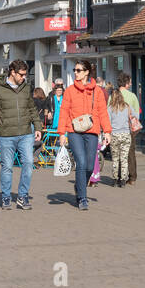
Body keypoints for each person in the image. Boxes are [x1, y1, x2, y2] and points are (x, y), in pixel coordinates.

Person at [0, 60, 41, 210]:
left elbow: (32, 108)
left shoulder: (26, 88)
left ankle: (22, 196)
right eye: (21, 74)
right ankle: (6, 196)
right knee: (7, 167)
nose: (24, 77)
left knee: (28, 163)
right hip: (6, 134)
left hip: (26, 133)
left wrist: (38, 126)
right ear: (12, 72)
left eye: (25, 74)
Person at [55, 60, 111, 210]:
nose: (76, 72)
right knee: (80, 162)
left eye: (79, 70)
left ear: (87, 72)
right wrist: (61, 133)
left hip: (92, 131)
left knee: (90, 165)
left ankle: (79, 187)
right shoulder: (70, 90)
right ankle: (82, 197)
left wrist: (107, 131)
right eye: (75, 70)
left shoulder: (97, 91)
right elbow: (64, 112)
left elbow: (103, 112)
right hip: (74, 131)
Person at [105, 84, 135, 187]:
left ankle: (114, 178)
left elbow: (107, 122)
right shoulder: (127, 106)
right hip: (126, 134)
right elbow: (134, 116)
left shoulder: (110, 108)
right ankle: (123, 180)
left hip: (114, 135)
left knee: (115, 158)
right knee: (124, 158)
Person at [118, 74, 141, 186]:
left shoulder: (113, 96)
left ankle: (119, 176)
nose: (131, 84)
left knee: (117, 153)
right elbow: (137, 115)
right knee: (130, 153)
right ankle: (132, 177)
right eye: (130, 82)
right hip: (129, 128)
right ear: (126, 83)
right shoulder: (132, 96)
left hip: (116, 128)